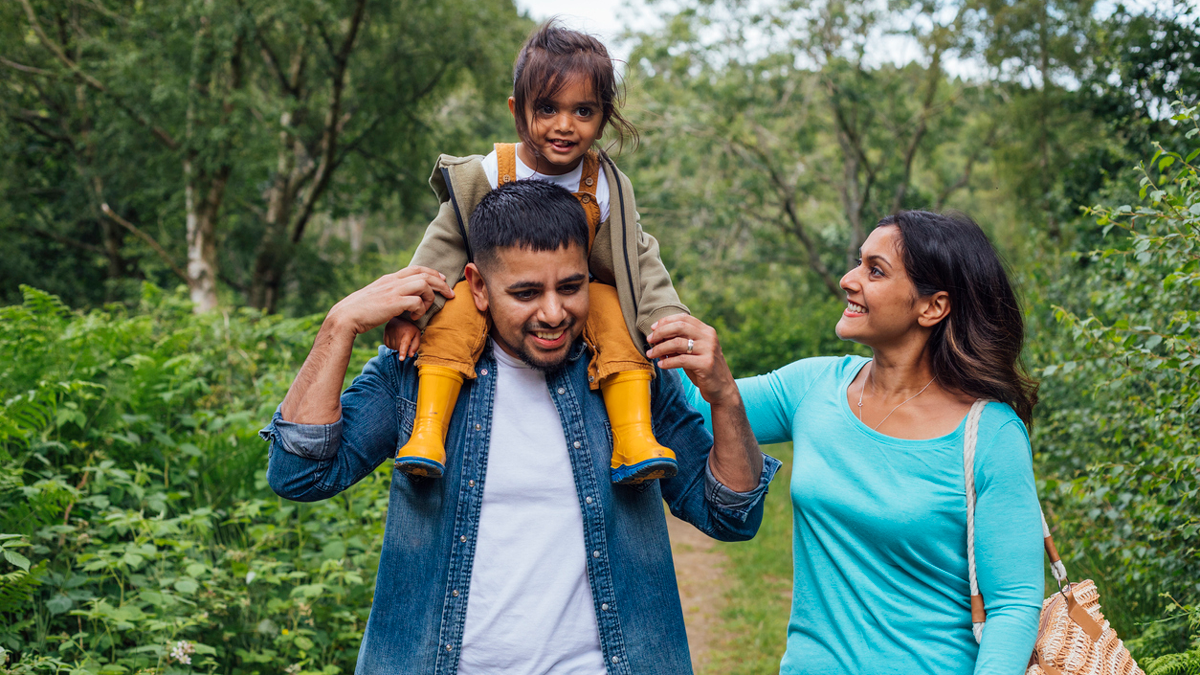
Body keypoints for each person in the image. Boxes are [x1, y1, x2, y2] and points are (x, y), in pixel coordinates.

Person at [260, 180, 781, 674]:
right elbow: (299, 475)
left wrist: (725, 397)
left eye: (571, 287)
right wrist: (339, 327)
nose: (554, 313)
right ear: (479, 288)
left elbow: (729, 516)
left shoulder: (631, 375)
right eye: (526, 292)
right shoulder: (415, 375)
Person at [684, 211, 1045, 673]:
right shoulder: (813, 387)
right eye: (859, 263)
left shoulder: (991, 433)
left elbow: (1013, 605)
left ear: (932, 307)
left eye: (875, 270)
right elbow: (691, 409)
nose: (848, 280)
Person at [384, 21, 689, 485]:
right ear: (516, 110)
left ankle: (633, 437)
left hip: (574, 301)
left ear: (604, 117)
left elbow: (639, 258)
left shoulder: (605, 188)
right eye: (546, 109)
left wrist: (666, 319)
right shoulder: (489, 173)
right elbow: (441, 245)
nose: (564, 125)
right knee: (457, 312)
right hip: (499, 299)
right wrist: (409, 312)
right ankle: (427, 431)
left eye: (583, 111)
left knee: (611, 310)